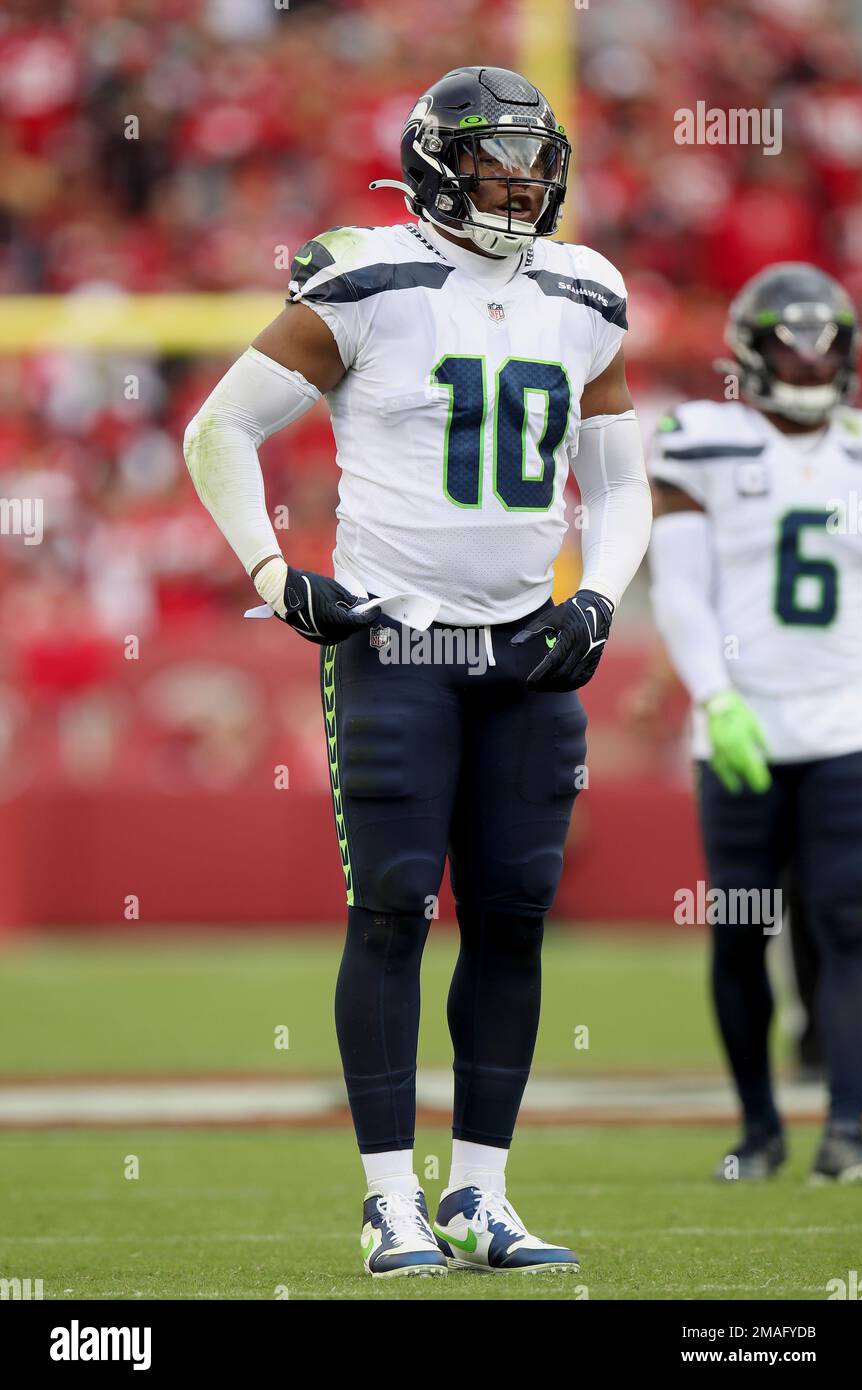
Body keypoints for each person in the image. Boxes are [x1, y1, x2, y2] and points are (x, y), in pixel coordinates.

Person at [185, 65, 651, 1274]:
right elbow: (217, 426)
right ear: (441, 163)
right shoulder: (367, 278)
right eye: (496, 160)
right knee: (392, 905)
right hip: (396, 639)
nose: (521, 182)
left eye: (535, 162)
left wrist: (595, 597)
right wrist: (269, 572)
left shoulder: (584, 288)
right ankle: (388, 1198)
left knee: (513, 917)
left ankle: (479, 1195)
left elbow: (614, 478)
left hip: (523, 645)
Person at [648, 262, 862, 1182]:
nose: (812, 367)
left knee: (850, 921)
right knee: (742, 925)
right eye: (793, 346)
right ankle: (759, 1127)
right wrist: (715, 696)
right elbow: (682, 590)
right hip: (740, 724)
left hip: (848, 724)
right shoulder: (701, 439)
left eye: (827, 349)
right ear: (751, 349)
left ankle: (848, 1127)